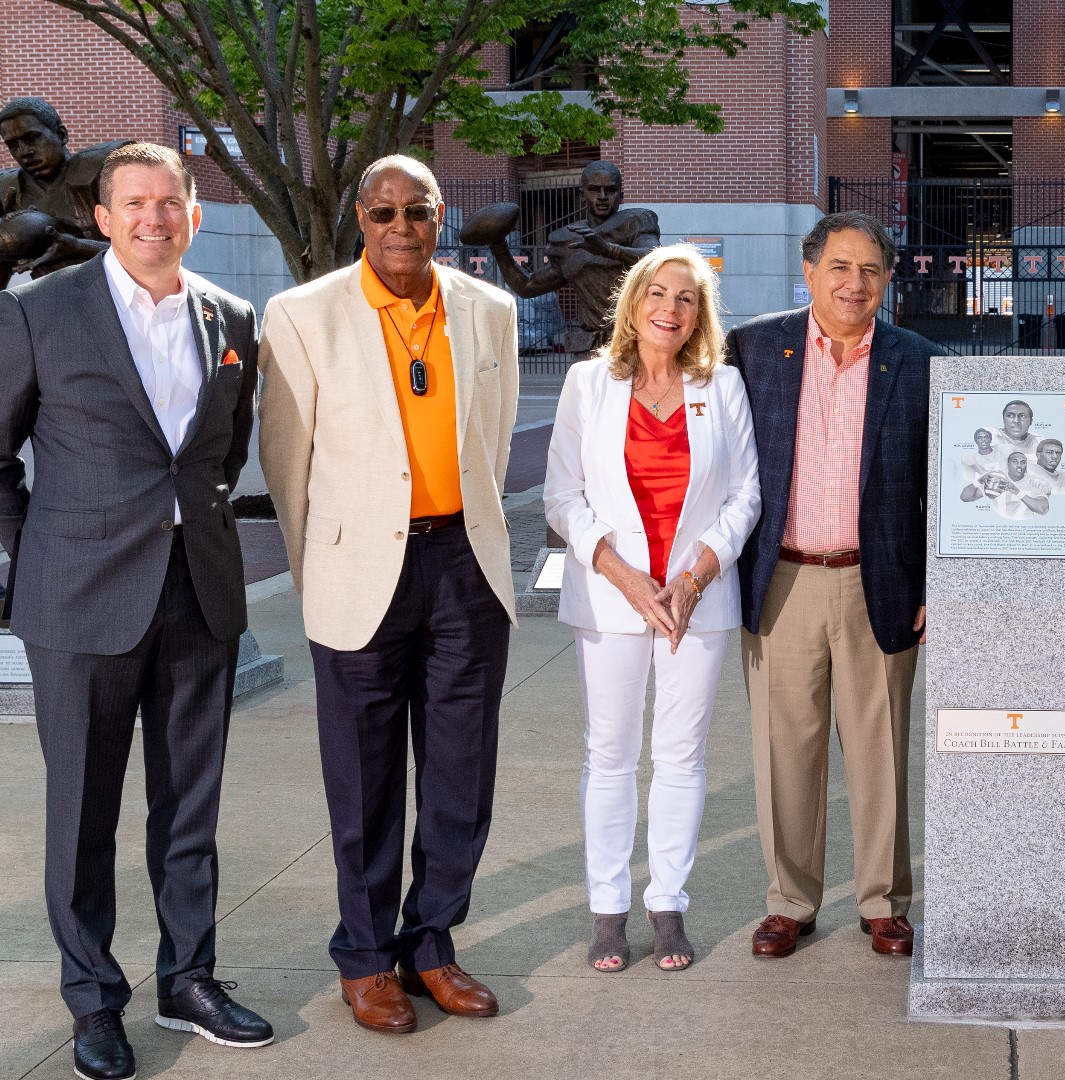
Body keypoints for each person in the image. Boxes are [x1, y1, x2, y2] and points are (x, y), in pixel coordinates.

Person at [0, 142, 273, 1080]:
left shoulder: (232, 317)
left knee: (188, 807)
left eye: (172, 202)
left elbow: (221, 455)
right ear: (104, 218)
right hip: (77, 599)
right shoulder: (39, 312)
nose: (155, 218)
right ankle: (95, 1000)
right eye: (135, 203)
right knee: (82, 814)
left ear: (194, 215)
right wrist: (29, 552)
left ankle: (188, 978)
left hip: (198, 590)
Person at [259, 155, 520, 1034]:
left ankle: (431, 946)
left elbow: (494, 435)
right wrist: (318, 572)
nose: (401, 226)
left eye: (418, 209)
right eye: (383, 212)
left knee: (459, 774)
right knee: (364, 776)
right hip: (359, 571)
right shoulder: (301, 316)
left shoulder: (490, 310)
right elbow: (286, 464)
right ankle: (367, 958)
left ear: (440, 215)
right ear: (360, 220)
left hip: (464, 568)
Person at [545, 244, 761, 973]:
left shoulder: (722, 386)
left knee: (680, 756)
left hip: (696, 598)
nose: (670, 309)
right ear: (633, 303)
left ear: (701, 315)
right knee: (609, 757)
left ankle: (667, 903)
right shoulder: (587, 384)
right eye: (657, 294)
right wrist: (624, 575)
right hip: (613, 599)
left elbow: (745, 497)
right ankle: (607, 910)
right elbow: (561, 497)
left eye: (687, 298)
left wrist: (695, 576)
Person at [728, 210, 937, 959]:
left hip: (878, 581)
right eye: (840, 267)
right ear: (809, 270)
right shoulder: (754, 349)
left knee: (880, 749)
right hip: (781, 580)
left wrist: (933, 583)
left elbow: (941, 485)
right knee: (786, 749)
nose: (855, 282)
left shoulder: (919, 360)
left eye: (871, 269)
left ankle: (883, 899)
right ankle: (790, 902)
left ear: (888, 280)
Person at [488, 159, 661, 354]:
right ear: (582, 194)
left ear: (621, 195)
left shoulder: (635, 223)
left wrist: (608, 250)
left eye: (610, 190)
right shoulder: (569, 241)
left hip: (634, 341)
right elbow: (528, 287)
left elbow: (656, 259)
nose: (602, 196)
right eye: (594, 189)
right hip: (589, 346)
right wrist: (499, 247)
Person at [0, 96, 125, 279]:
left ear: (61, 135)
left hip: (116, 294)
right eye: (13, 145)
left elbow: (143, 251)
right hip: (51, 299)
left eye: (32, 138)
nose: (24, 152)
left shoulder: (100, 173)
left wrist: (76, 246)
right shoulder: (9, 192)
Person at [991, 451, 1051, 519]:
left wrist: (1018, 492)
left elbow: (1043, 510)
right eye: (1015, 462)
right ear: (1007, 464)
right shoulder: (997, 478)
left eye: (1023, 462)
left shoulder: (1039, 482)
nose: (1019, 465)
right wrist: (980, 481)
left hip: (1028, 524)